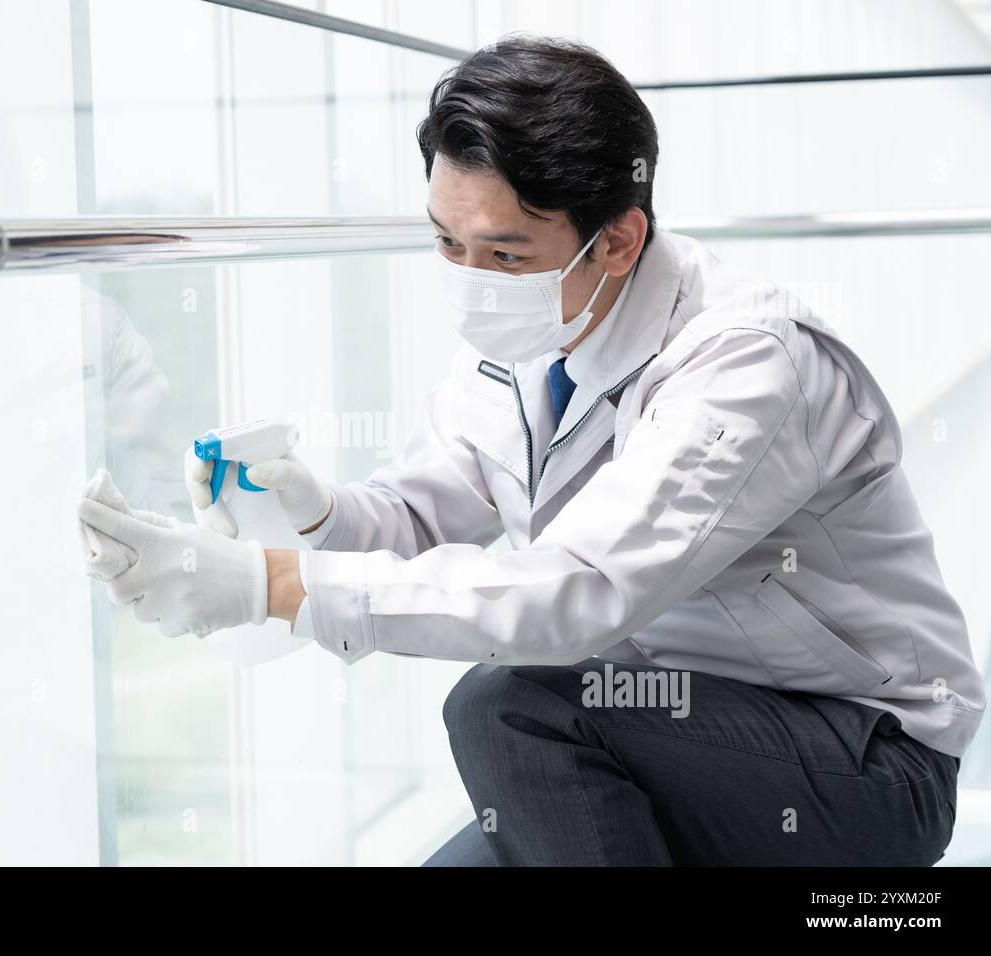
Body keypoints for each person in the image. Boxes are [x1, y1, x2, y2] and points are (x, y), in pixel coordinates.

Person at [78, 36, 984, 866]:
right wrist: (311, 512)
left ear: (620, 239)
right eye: (445, 242)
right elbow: (419, 516)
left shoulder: (747, 362)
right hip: (651, 729)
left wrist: (269, 582)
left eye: (505, 256)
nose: (471, 283)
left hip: (859, 760)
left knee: (506, 703)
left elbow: (578, 591)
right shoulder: (529, 338)